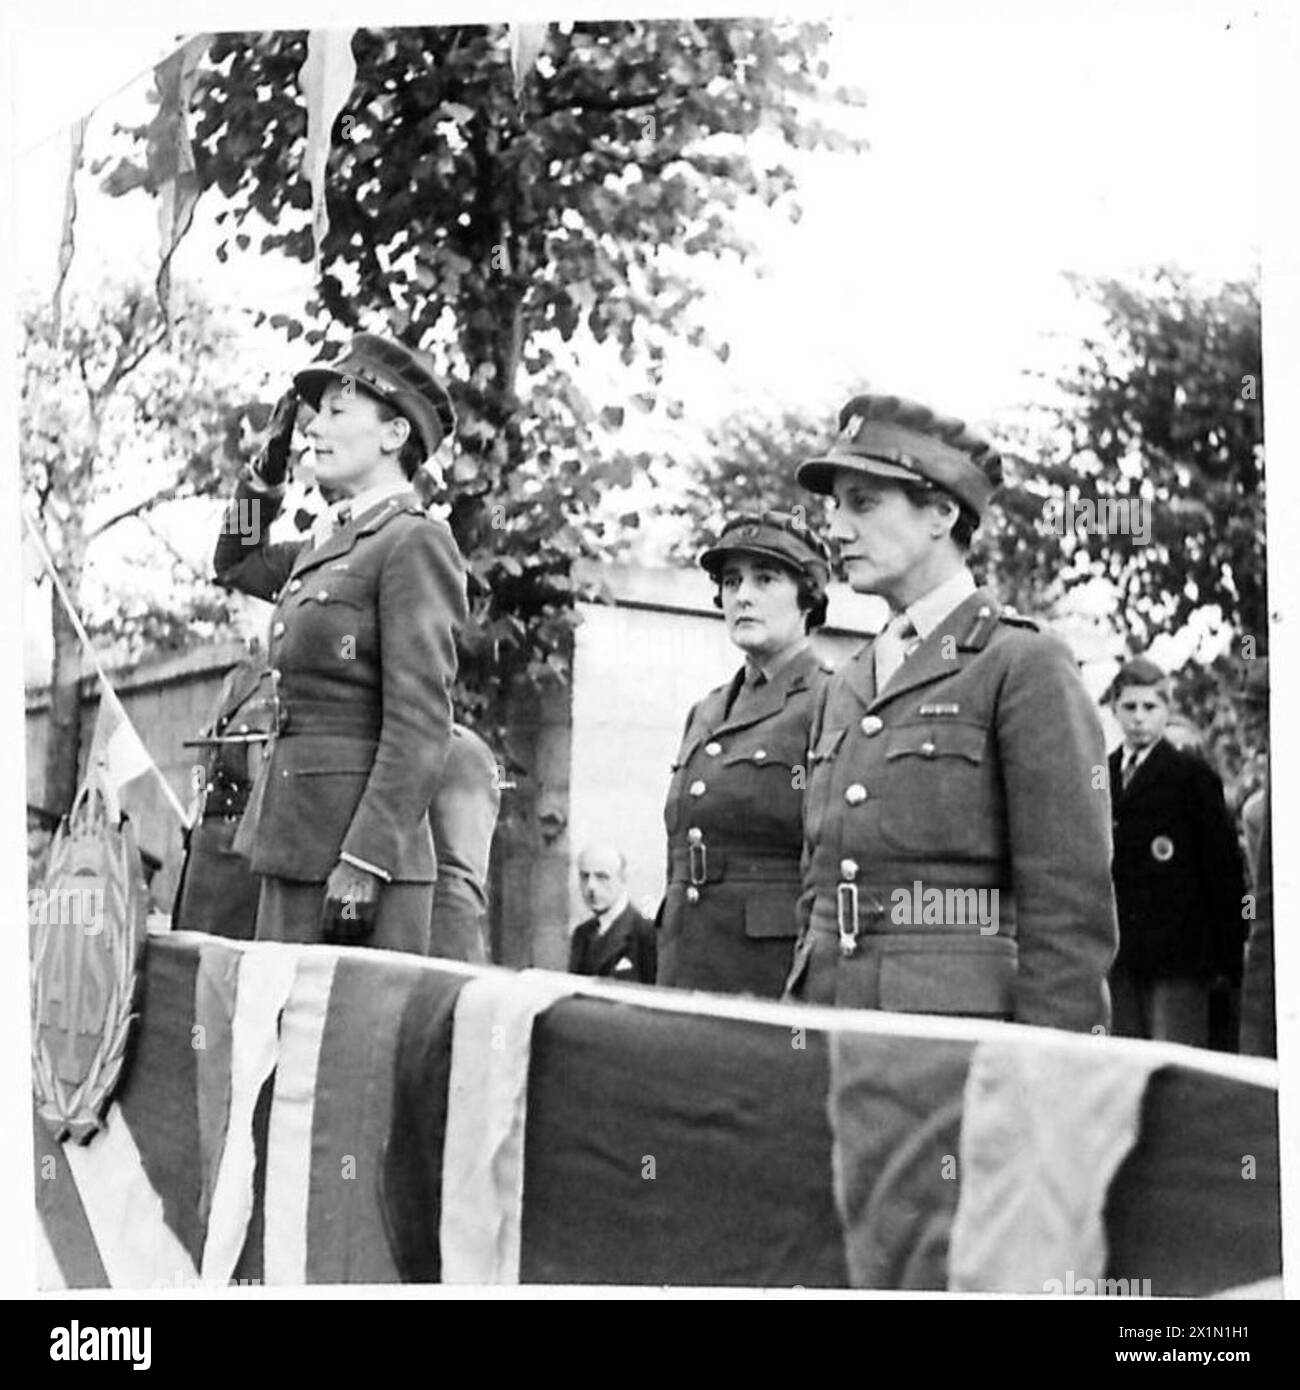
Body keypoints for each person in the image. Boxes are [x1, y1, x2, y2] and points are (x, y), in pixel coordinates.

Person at [784, 394, 1117, 1030]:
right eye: (835, 507)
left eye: (864, 503)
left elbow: (1069, 910)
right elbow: (817, 887)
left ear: (942, 512)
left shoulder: (1023, 665)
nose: (837, 529)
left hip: (953, 1043)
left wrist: (1047, 1074)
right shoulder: (847, 681)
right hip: (827, 1024)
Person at [213, 333, 468, 955]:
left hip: (355, 866)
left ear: (394, 436)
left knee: (349, 1046)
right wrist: (265, 474)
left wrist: (365, 863)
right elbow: (236, 562)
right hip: (295, 845)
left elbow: (420, 721)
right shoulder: (327, 543)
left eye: (336, 413)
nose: (313, 430)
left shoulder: (412, 542)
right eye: (313, 415)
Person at [657, 511, 834, 997]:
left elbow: (833, 856)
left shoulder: (831, 701)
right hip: (686, 963)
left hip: (769, 974)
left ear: (808, 597)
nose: (743, 596)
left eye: (765, 579)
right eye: (731, 581)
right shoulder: (707, 709)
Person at [1107, 657, 1246, 1046]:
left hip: (1180, 954)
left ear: (1167, 711)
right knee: (1126, 1059)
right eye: (1129, 707)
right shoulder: (1103, 773)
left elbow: (1222, 871)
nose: (1139, 718)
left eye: (1150, 707)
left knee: (1177, 1062)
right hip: (1124, 951)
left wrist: (1227, 958)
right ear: (1115, 710)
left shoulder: (1191, 776)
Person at [172, 652, 275, 939]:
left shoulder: (275, 678)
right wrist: (196, 798)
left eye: (245, 604)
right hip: (207, 835)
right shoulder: (233, 679)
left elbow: (261, 766)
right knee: (189, 946)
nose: (235, 610)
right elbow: (204, 752)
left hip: (240, 839)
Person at [429, 724, 502, 963]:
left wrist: (348, 915)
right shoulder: (478, 749)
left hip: (438, 925)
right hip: (464, 922)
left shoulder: (425, 744)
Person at [569, 844, 657, 982]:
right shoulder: (581, 934)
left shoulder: (647, 934)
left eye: (601, 877)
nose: (590, 886)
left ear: (623, 879)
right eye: (585, 876)